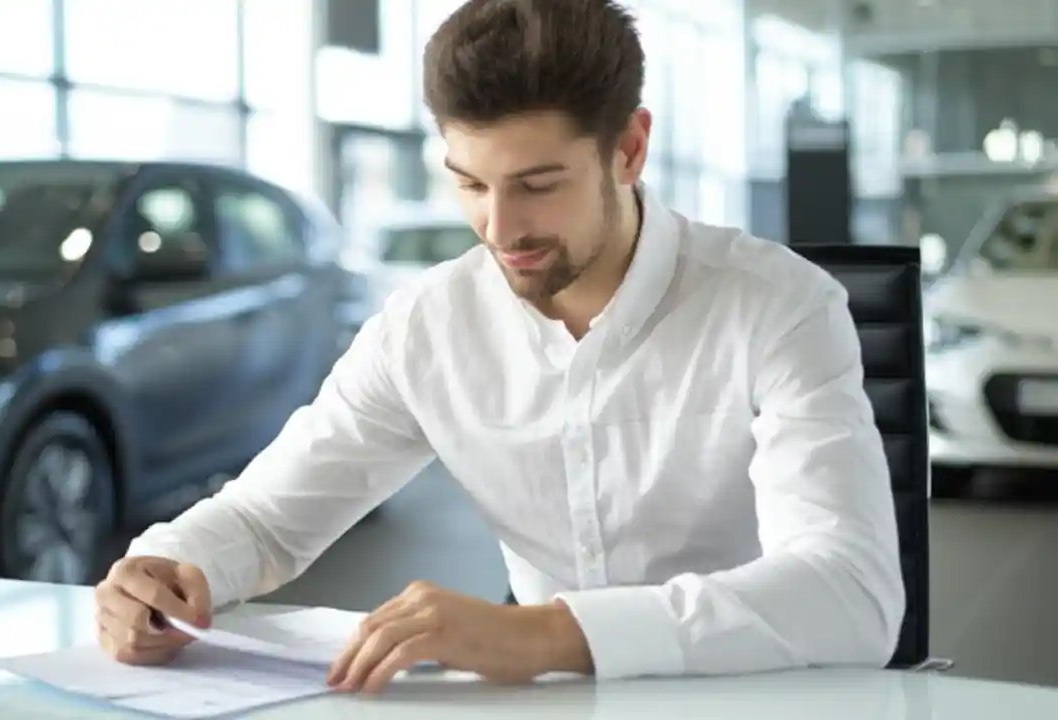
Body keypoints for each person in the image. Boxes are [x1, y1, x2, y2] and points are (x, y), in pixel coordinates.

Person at [95, 0, 905, 694]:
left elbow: (851, 595)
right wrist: (171, 564)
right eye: (471, 183)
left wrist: (543, 635)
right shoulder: (427, 328)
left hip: (758, 699)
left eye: (537, 185)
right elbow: (269, 520)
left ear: (628, 148)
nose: (499, 229)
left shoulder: (780, 305)